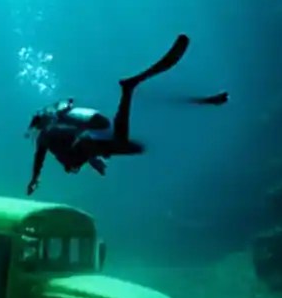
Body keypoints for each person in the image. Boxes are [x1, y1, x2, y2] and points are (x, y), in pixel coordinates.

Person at [25, 34, 224, 195]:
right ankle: (192, 103)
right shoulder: (53, 132)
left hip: (93, 129)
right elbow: (70, 147)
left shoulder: (47, 133)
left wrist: (35, 179)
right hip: (94, 127)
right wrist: (93, 159)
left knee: (124, 142)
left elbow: (51, 152)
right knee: (135, 145)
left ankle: (128, 90)